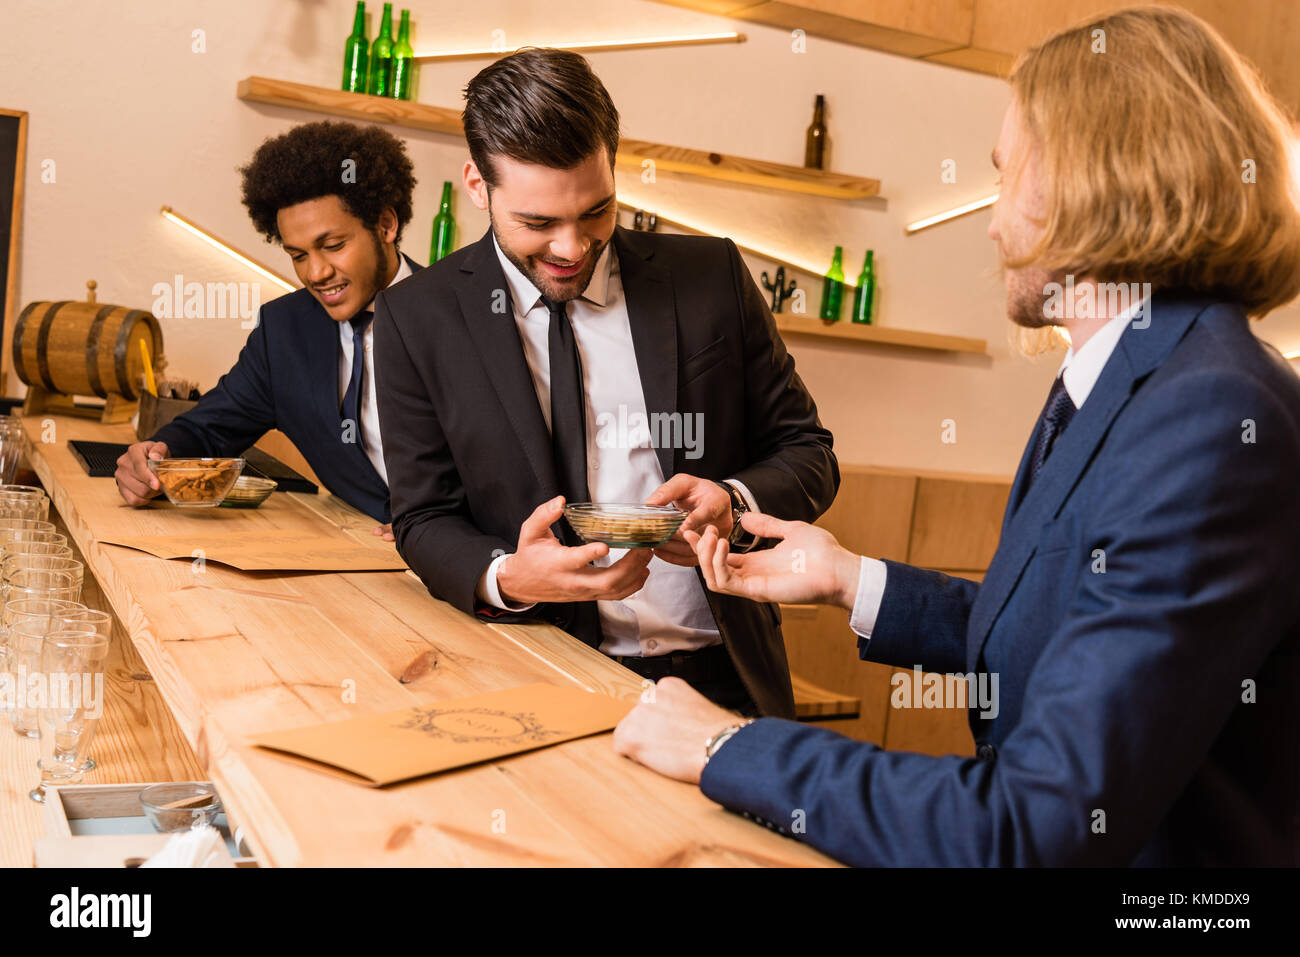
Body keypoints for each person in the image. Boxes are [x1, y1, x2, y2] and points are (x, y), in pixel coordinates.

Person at [613, 5, 1300, 866]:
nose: (992, 221)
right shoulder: (1132, 379)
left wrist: (725, 746)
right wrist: (848, 578)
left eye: (1006, 175)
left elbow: (1033, 823)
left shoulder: (1209, 420)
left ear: (1096, 179)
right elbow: (1061, 628)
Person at [374, 49, 838, 718]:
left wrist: (731, 501)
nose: (571, 248)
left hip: (726, 675)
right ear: (478, 185)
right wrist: (506, 575)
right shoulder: (416, 316)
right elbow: (421, 516)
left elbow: (808, 450)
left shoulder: (711, 276)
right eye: (538, 223)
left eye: (596, 211)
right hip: (534, 675)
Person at [114, 121, 421, 536]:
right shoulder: (285, 331)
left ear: (386, 225)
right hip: (362, 555)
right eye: (297, 255)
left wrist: (442, 535)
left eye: (333, 246)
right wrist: (156, 457)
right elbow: (208, 428)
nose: (316, 272)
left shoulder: (461, 315)